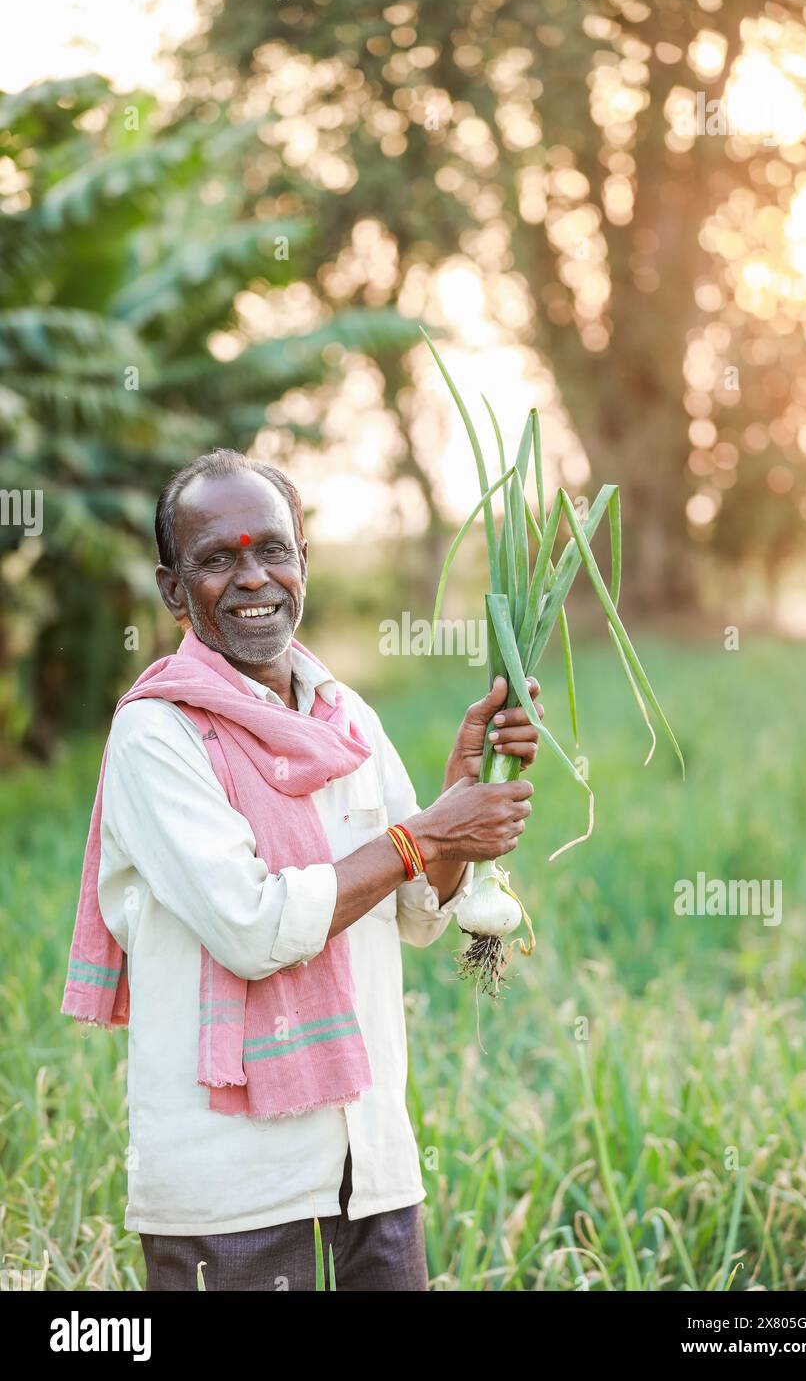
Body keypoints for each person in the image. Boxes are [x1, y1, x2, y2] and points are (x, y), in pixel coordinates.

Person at [62, 448, 542, 1291]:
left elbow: (418, 915)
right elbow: (254, 928)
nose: (254, 578)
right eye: (218, 559)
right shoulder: (158, 735)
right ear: (174, 591)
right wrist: (424, 836)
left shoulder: (342, 715)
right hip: (234, 1188)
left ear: (303, 562)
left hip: (373, 1166)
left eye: (273, 550)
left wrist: (461, 804)